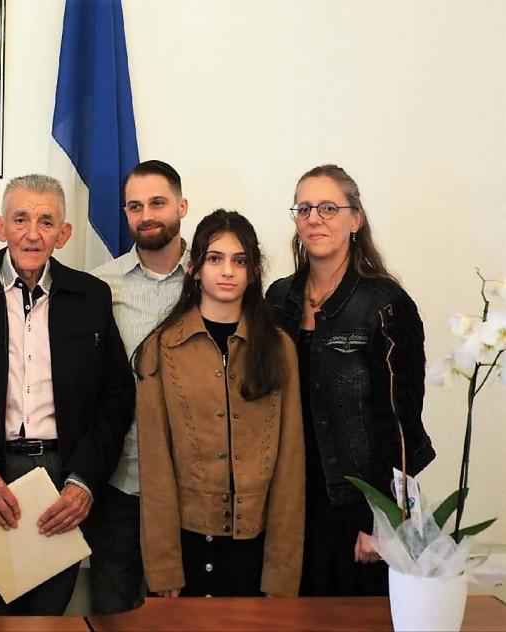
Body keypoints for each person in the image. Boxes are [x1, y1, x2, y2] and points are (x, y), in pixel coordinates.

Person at [0, 174, 134, 615]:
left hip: (59, 480)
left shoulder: (90, 297)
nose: (32, 233)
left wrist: (84, 482)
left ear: (64, 234)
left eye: (46, 222)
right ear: (0, 226)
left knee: (43, 617)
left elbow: (115, 400)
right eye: (20, 219)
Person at [266, 164, 434, 596]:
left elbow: (402, 423)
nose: (314, 218)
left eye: (328, 207)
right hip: (288, 499)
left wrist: (383, 520)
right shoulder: (278, 297)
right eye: (304, 208)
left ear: (355, 219)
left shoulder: (386, 305)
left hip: (355, 503)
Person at [137, 209, 305, 598]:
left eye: (239, 260)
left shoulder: (279, 349)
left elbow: (290, 466)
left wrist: (281, 573)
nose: (227, 271)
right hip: (190, 541)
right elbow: (155, 467)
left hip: (257, 544)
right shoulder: (162, 349)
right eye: (215, 259)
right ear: (194, 269)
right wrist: (164, 570)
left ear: (253, 271)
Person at [86, 160, 189, 613]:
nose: (146, 214)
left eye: (158, 203)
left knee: (189, 619)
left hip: (193, 489)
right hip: (120, 484)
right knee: (114, 615)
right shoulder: (99, 288)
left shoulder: (217, 280)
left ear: (182, 206)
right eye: (134, 206)